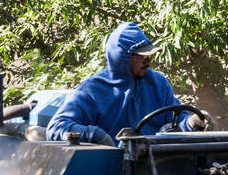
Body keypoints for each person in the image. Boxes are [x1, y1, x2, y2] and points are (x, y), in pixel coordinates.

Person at [46, 22, 208, 145]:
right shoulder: (92, 90)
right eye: (141, 55)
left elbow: (175, 121)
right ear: (121, 57)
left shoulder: (158, 84)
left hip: (157, 165)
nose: (148, 60)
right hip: (109, 171)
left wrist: (190, 123)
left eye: (149, 54)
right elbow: (56, 128)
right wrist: (95, 135)